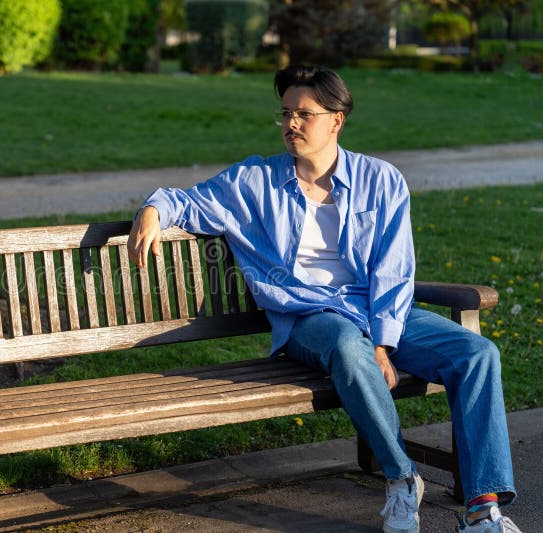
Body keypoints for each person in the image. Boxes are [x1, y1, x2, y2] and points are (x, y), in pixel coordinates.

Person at [126, 65, 521, 533]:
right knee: (345, 346)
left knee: (477, 354)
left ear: (336, 120)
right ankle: (401, 477)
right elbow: (187, 201)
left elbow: (394, 272)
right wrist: (153, 210)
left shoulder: (382, 180)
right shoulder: (255, 181)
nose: (291, 123)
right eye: (286, 113)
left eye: (304, 114)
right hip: (308, 316)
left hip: (374, 310)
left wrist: (384, 343)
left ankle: (482, 509)